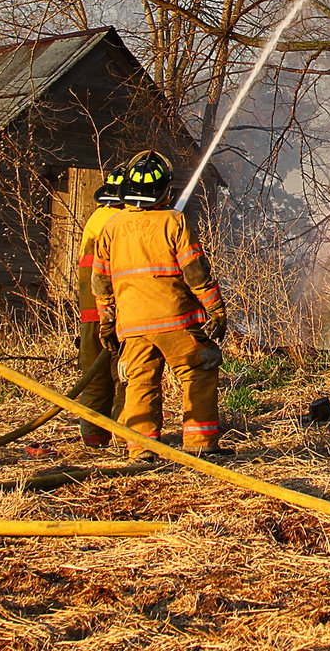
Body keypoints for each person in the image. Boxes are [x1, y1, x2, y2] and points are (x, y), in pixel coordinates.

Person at [92, 151, 229, 460]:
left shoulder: (110, 228)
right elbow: (196, 273)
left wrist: (107, 324)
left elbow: (101, 284)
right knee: (199, 371)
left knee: (140, 384)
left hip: (132, 327)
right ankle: (201, 445)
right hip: (176, 321)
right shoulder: (174, 221)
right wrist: (216, 310)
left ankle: (141, 450)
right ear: (165, 190)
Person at [72, 164, 129, 447]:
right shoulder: (120, 222)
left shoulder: (97, 218)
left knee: (93, 376)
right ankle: (126, 434)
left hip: (90, 314)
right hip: (116, 312)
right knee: (126, 374)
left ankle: (94, 435)